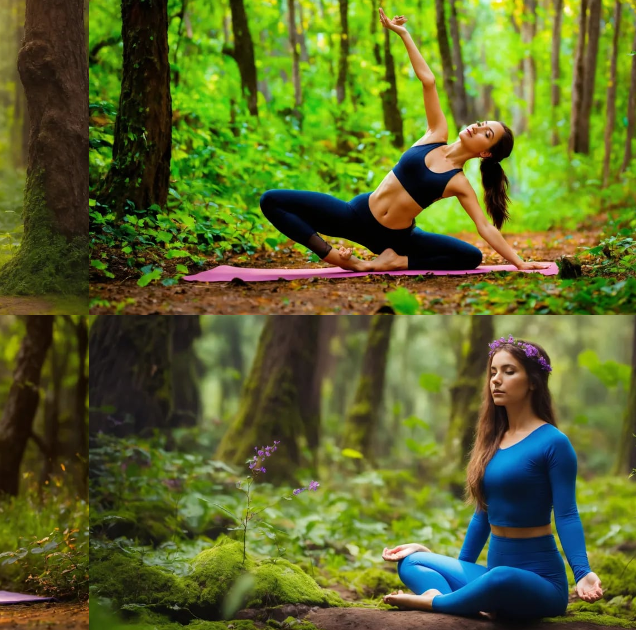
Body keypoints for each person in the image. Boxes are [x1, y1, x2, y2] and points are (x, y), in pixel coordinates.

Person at [258, 8, 548, 273]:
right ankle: (337, 258)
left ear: (486, 153)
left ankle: (396, 261)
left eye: (487, 133)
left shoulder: (458, 182)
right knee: (271, 200)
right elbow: (428, 81)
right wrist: (404, 34)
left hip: (396, 238)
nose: (477, 127)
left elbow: (484, 226)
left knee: (471, 257)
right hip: (356, 214)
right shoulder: (436, 135)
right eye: (482, 123)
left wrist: (520, 262)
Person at [379, 336, 604, 620]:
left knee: (500, 578)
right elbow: (482, 515)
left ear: (533, 381)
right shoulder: (491, 441)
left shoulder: (554, 443)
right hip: (491, 575)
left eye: (509, 371)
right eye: (493, 372)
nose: (496, 380)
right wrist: (457, 567)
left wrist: (583, 573)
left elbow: (567, 514)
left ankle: (433, 602)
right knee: (410, 562)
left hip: (540, 584)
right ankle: (462, 599)